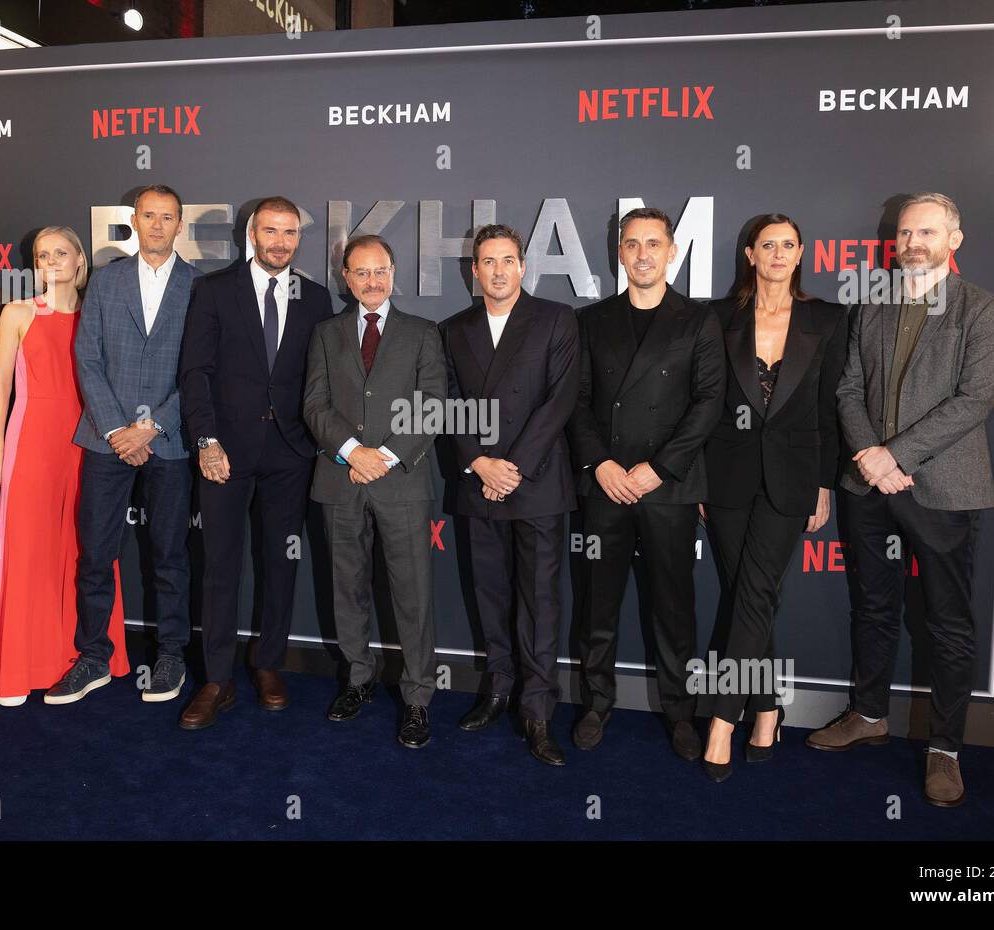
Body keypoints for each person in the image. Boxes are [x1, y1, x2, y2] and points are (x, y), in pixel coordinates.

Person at [808, 192, 994, 808]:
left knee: (947, 622)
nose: (913, 242)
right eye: (905, 232)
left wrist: (896, 456)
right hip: (868, 483)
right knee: (872, 606)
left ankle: (945, 749)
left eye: (927, 231)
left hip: (942, 487)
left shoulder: (983, 309)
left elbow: (974, 401)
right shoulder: (872, 304)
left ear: (955, 239)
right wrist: (872, 454)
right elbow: (847, 388)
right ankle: (869, 714)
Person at [567, 206, 724, 759]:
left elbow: (709, 402)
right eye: (631, 244)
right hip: (605, 485)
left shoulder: (699, 320)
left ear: (671, 252)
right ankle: (595, 704)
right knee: (597, 607)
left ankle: (680, 713)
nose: (642, 254)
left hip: (669, 487)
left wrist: (658, 469)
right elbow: (577, 402)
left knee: (673, 607)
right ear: (619, 253)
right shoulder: (592, 320)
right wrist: (601, 465)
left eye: (652, 243)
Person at [698, 214, 846, 782]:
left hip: (793, 478)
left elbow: (831, 409)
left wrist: (824, 484)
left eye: (789, 245)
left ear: (801, 252)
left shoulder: (826, 320)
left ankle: (722, 720)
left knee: (754, 593)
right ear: (750, 254)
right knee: (747, 596)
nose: (779, 254)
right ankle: (766, 708)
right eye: (769, 245)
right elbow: (707, 400)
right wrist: (701, 479)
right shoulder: (719, 318)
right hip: (728, 476)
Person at [176, 197, 334, 729]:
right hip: (225, 452)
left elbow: (321, 381)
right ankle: (215, 679)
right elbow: (194, 372)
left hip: (290, 452)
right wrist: (205, 440)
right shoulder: (215, 290)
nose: (281, 242)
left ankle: (269, 662)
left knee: (280, 563)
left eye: (290, 233)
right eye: (271, 231)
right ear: (252, 232)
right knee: (219, 566)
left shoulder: (316, 298)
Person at [49, 184, 200, 705]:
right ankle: (92, 656)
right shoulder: (106, 283)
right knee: (95, 554)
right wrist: (118, 430)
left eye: (168, 217)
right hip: (105, 440)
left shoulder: (202, 288)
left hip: (170, 441)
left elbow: (201, 373)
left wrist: (152, 427)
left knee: (169, 555)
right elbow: (86, 359)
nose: (157, 225)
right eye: (148, 216)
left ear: (181, 225)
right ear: (133, 221)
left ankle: (171, 655)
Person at [441, 224, 579, 766]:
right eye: (487, 262)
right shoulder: (453, 329)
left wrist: (513, 466)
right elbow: (447, 402)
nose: (498, 271)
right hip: (480, 482)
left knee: (540, 602)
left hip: (537, 481)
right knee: (491, 594)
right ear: (473, 271)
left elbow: (560, 399)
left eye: (507, 260)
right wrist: (479, 462)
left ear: (523, 266)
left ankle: (539, 710)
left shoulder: (556, 319)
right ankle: (498, 690)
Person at [0, 227, 129, 706]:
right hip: (34, 439)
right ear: (34, 263)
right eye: (43, 255)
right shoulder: (18, 311)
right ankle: (21, 665)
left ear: (80, 259)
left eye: (61, 252)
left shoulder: (97, 315)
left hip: (89, 439)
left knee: (88, 547)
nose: (52, 261)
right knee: (27, 549)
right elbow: (0, 383)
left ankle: (84, 657)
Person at [303, 234, 446, 749]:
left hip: (401, 482)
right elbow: (315, 405)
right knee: (348, 589)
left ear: (393, 273)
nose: (371, 281)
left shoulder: (423, 333)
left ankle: (417, 699)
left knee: (413, 595)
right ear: (346, 277)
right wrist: (351, 453)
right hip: (341, 480)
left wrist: (381, 456)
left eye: (380, 271)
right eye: (361, 272)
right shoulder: (324, 333)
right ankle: (358, 680)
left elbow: (433, 405)